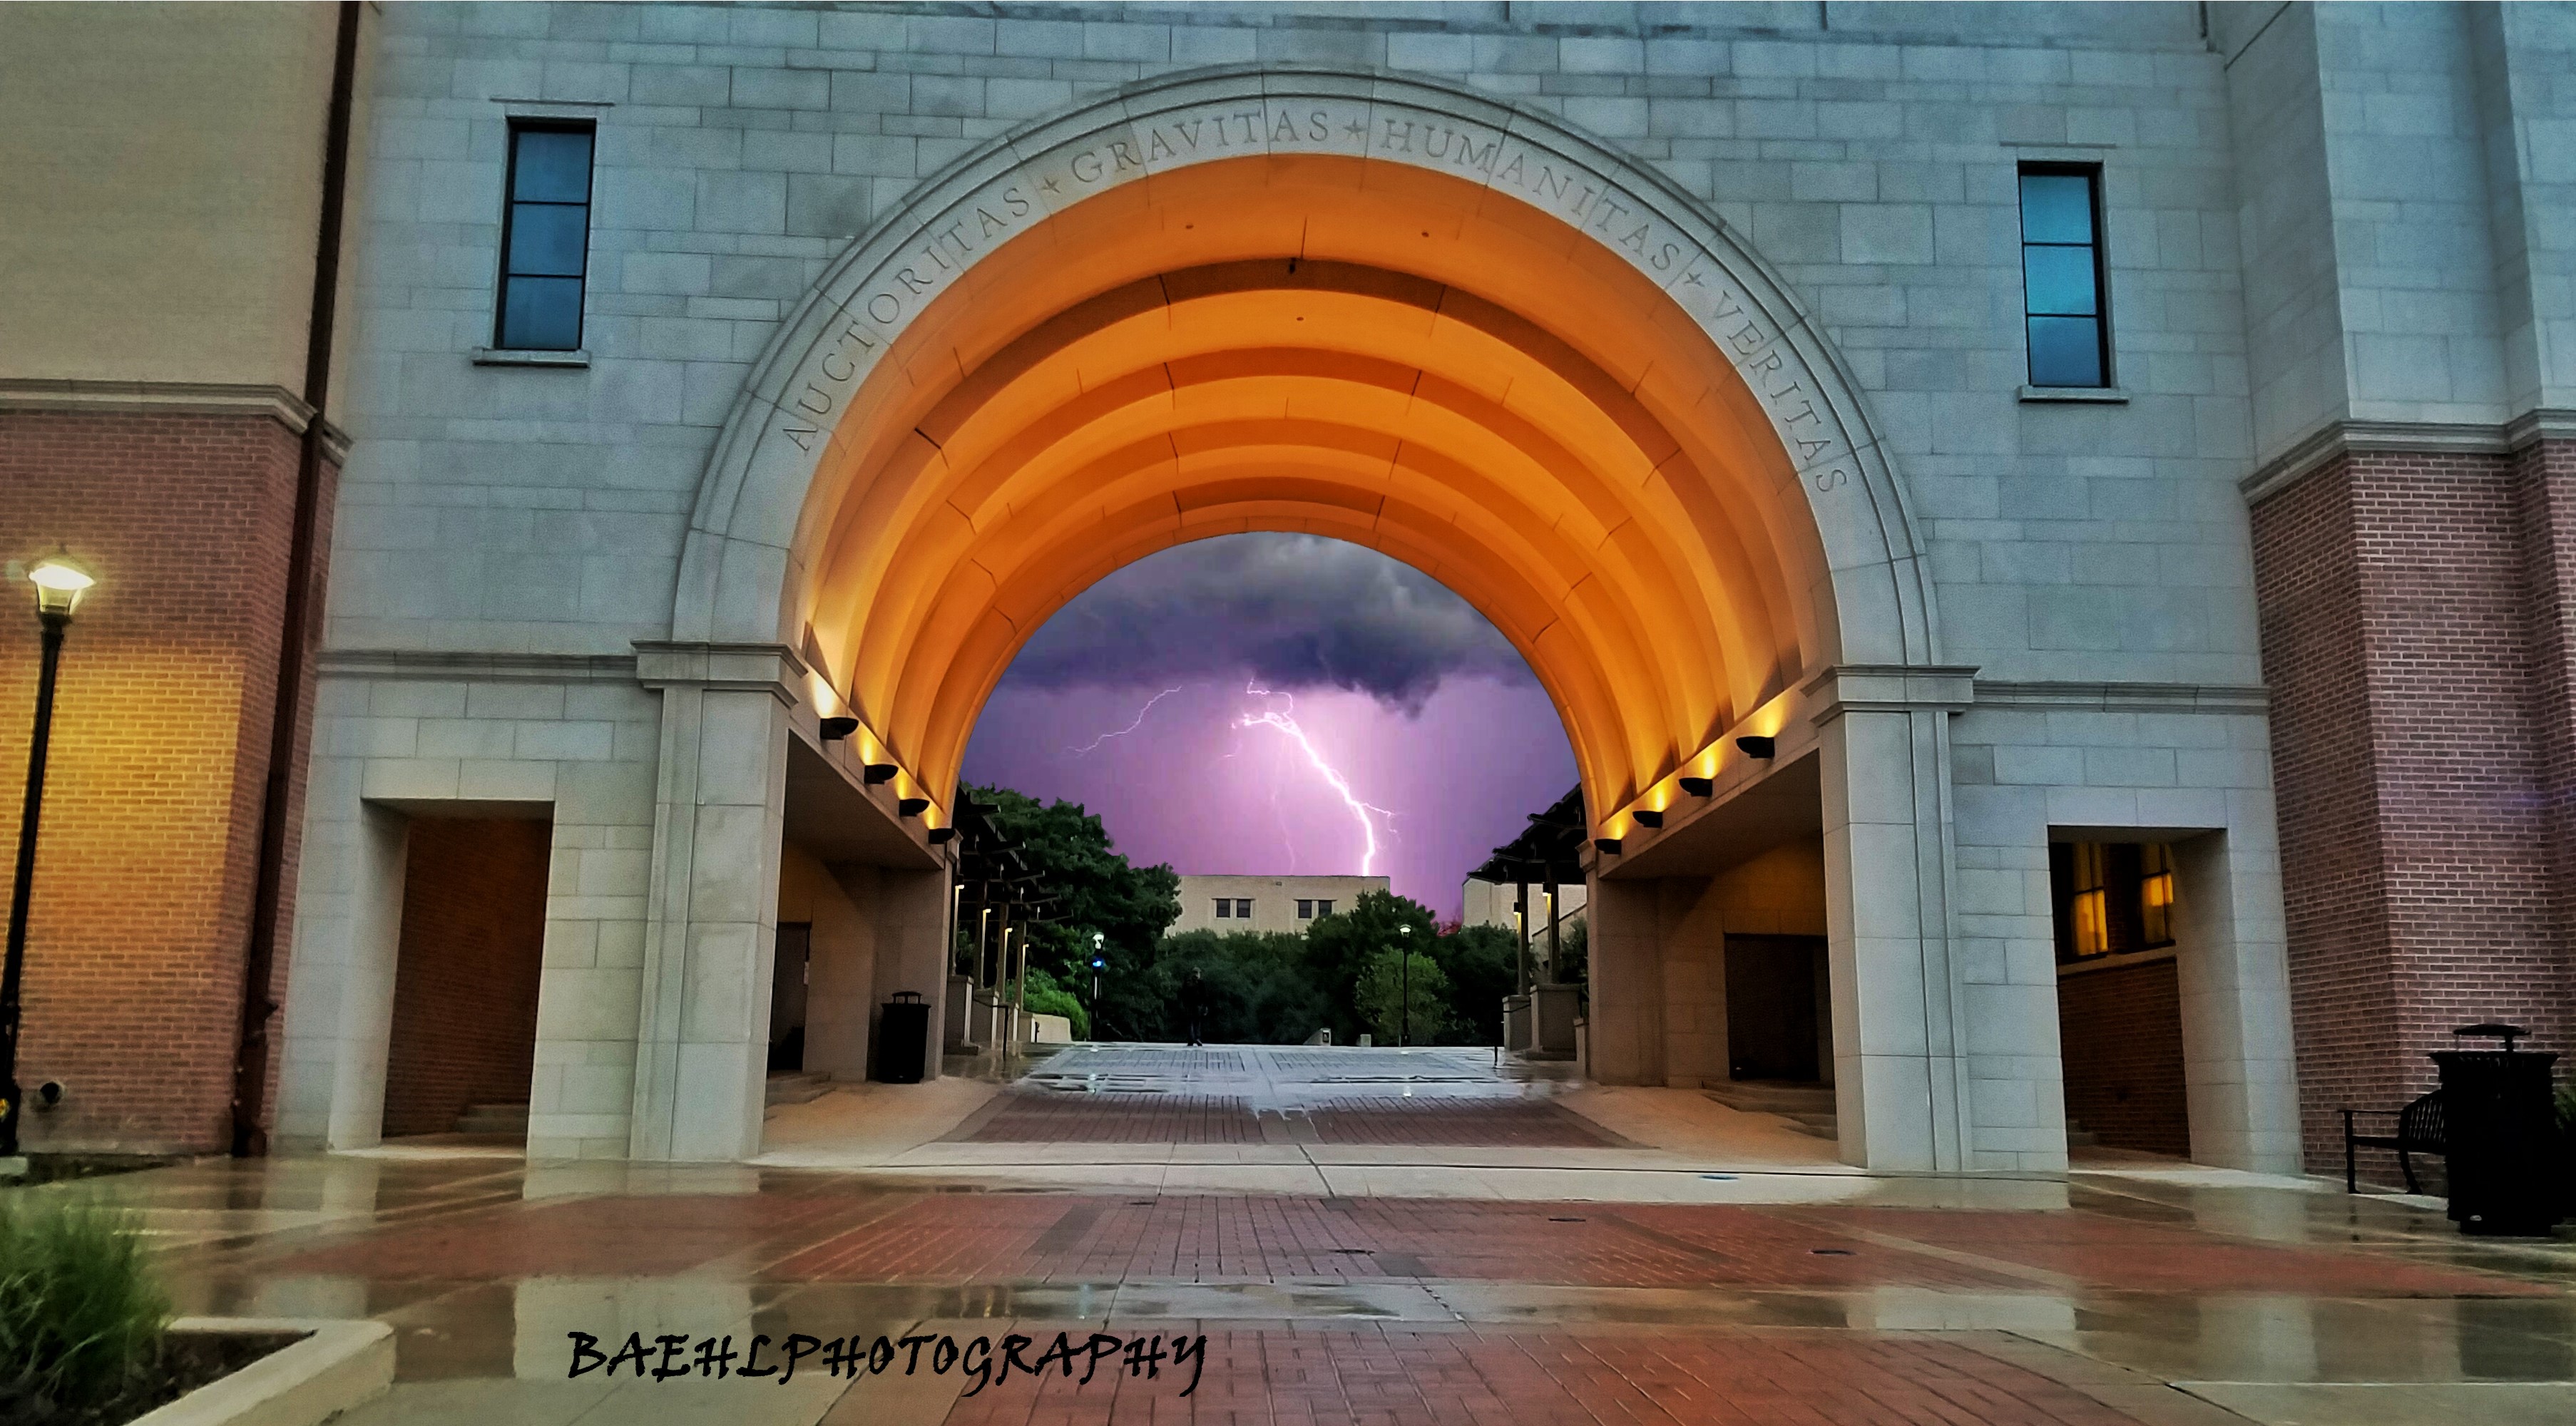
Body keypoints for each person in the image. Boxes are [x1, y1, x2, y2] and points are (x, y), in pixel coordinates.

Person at [1181, 967, 1207, 1047]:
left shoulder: (1188, 982)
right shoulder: (1200, 982)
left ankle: (1190, 1039)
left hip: (1188, 1005)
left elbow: (1183, 993)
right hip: (1197, 1005)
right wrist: (1205, 1006)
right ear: (1198, 973)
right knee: (1197, 1023)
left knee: (1189, 1023)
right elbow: (1205, 995)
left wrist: (1184, 1004)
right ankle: (1197, 1037)